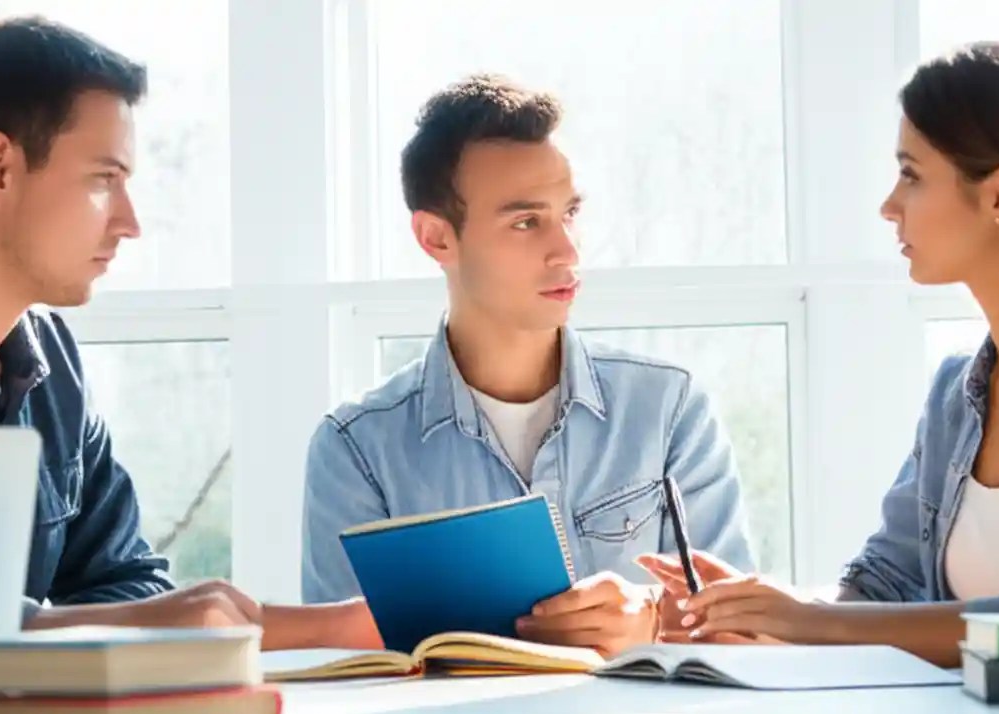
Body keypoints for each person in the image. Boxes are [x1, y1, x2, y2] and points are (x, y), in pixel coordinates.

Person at [0, 16, 379, 651]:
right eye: (104, 179)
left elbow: (119, 580)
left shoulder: (50, 361)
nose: (130, 222)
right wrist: (154, 620)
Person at [643, 42, 999, 667]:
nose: (889, 206)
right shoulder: (957, 392)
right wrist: (764, 616)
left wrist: (813, 623)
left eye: (912, 175)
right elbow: (886, 583)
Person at [302, 74, 753, 657]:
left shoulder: (670, 411)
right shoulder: (356, 452)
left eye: (570, 213)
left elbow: (742, 633)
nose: (567, 250)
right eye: (525, 222)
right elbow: (345, 674)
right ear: (437, 238)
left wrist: (649, 625)